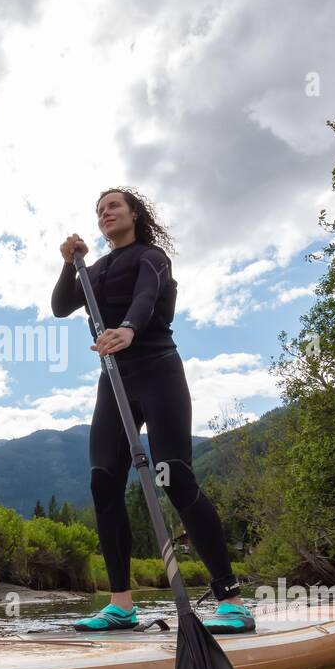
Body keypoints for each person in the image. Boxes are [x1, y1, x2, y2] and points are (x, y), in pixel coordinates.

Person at [51, 187, 254, 634]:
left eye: (113, 206)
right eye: (99, 210)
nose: (105, 214)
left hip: (158, 368)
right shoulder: (94, 268)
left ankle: (232, 601)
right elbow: (61, 306)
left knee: (174, 475)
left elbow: (146, 297)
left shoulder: (152, 256)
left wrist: (128, 328)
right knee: (103, 482)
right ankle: (121, 606)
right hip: (114, 380)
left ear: (134, 214)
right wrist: (70, 264)